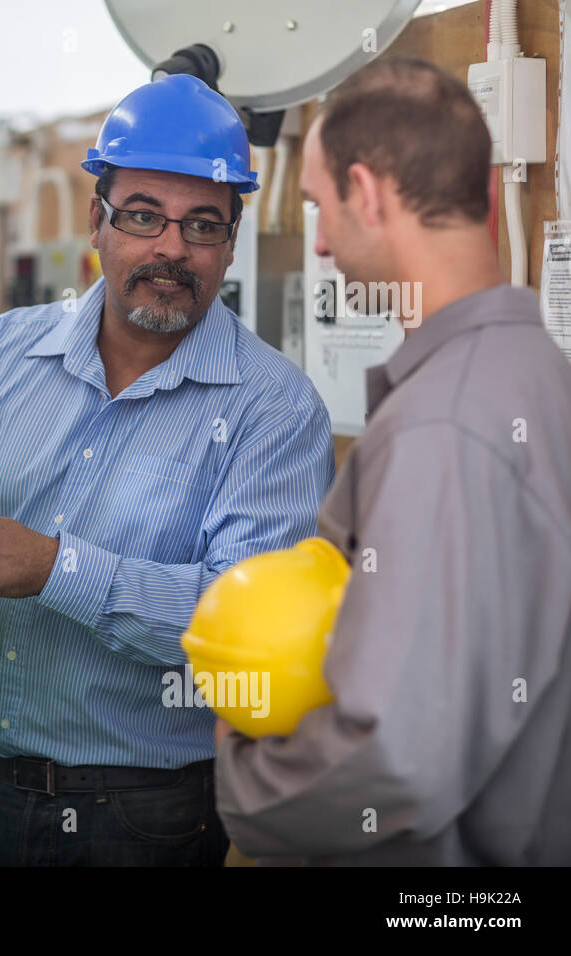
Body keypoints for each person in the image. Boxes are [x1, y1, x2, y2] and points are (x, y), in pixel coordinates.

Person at [0, 73, 334, 866]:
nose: (172, 250)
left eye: (203, 226)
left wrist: (56, 568)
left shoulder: (275, 408)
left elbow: (242, 631)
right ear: (98, 219)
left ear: (231, 239)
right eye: (145, 216)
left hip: (148, 816)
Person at [214, 56, 571, 865]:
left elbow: (398, 753)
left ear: (368, 194)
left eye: (318, 206)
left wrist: (244, 773)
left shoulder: (441, 425)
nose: (323, 244)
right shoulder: (538, 375)